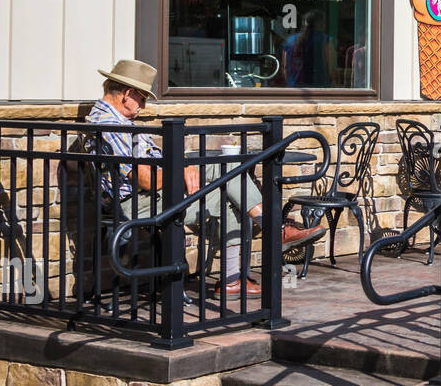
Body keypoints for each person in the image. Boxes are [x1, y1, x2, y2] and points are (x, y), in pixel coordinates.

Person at [85, 59, 324, 297]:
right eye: (143, 97)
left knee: (230, 179)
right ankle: (270, 235)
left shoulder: (116, 121)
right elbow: (145, 178)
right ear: (127, 93)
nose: (144, 106)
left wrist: (184, 167)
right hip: (139, 204)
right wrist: (181, 171)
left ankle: (244, 265)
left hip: (153, 194)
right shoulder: (111, 125)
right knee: (229, 184)